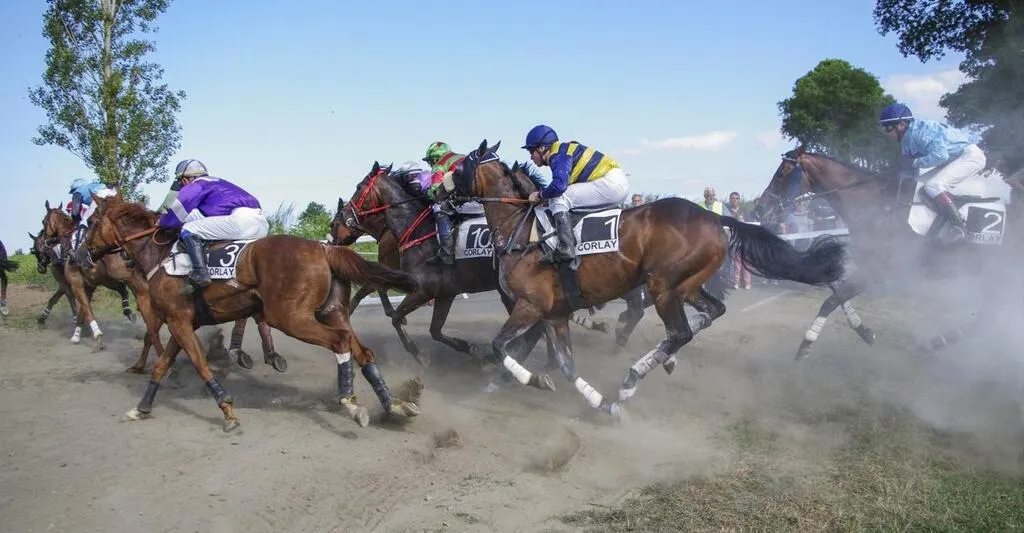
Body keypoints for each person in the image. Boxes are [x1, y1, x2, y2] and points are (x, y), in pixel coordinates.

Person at [521, 124, 630, 264]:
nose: (531, 157)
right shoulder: (564, 150)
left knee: (559, 197)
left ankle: (566, 247)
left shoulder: (557, 156)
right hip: (615, 183)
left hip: (611, 184)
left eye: (531, 151)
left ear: (542, 148)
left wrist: (540, 195)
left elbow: (559, 187)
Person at [157, 159, 269, 293]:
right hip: (261, 224)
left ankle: (200, 273)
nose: (181, 186)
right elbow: (209, 217)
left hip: (242, 222)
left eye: (181, 182)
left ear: (186, 179)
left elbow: (177, 211)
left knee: (189, 228)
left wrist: (162, 222)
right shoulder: (218, 183)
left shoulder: (197, 184)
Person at [878, 102, 985, 241]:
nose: (886, 133)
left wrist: (913, 162)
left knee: (933, 186)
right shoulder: (905, 141)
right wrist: (896, 176)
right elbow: (912, 173)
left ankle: (959, 227)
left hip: (970, 156)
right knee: (918, 186)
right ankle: (939, 223)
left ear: (901, 125)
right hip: (953, 159)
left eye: (887, 128)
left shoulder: (924, 131)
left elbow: (940, 156)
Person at [421, 142, 466, 265]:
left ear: (435, 158)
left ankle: (446, 253)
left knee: (438, 208)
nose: (431, 165)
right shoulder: (463, 156)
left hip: (462, 199)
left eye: (430, 161)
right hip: (477, 197)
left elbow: (436, 190)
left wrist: (427, 194)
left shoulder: (440, 165)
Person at [66, 178, 118, 256]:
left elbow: (75, 212)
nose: (73, 193)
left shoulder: (78, 191)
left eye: (73, 191)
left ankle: (77, 249)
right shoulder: (93, 185)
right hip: (114, 194)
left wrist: (76, 222)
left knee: (84, 222)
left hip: (101, 197)